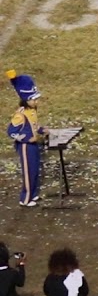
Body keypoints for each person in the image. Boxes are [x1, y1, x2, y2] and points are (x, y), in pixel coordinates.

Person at [7, 70, 44, 207]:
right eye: (34, 99)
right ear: (26, 100)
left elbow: (34, 125)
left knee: (34, 170)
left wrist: (42, 130)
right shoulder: (20, 115)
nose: (36, 101)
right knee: (28, 172)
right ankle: (25, 198)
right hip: (25, 147)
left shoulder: (32, 111)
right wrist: (26, 139)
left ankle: (33, 194)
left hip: (34, 145)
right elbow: (11, 131)